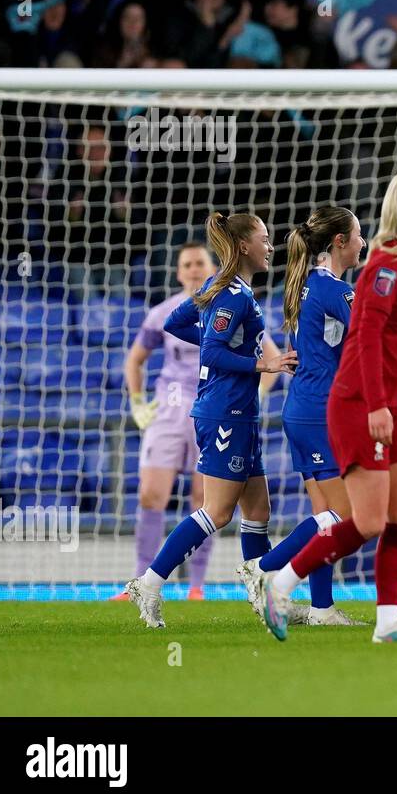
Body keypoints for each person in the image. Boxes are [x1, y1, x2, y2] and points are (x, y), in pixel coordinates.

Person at [257, 171, 397, 644]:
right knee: (366, 522)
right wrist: (377, 405)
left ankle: (387, 624)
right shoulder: (387, 266)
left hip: (394, 402)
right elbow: (362, 340)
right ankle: (279, 584)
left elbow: (396, 343)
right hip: (360, 404)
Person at [125, 212, 298, 628]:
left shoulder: (221, 288)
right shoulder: (233, 294)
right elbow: (213, 353)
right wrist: (264, 364)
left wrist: (217, 339)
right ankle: (148, 582)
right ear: (244, 247)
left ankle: (263, 598)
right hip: (225, 412)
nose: (270, 246)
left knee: (258, 510)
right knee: (217, 512)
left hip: (237, 411)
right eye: (264, 238)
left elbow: (175, 323)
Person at [241, 206, 366, 627]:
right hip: (322, 411)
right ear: (339, 243)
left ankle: (321, 607)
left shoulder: (308, 284)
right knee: (349, 518)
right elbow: (375, 335)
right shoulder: (333, 290)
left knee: (325, 516)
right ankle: (262, 568)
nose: (364, 244)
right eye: (359, 236)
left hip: (304, 407)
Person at [119, 242, 216, 602]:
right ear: (178, 272)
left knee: (203, 500)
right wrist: (138, 403)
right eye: (187, 264)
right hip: (169, 414)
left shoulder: (231, 309)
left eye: (200, 263)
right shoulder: (163, 313)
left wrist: (259, 394)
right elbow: (134, 361)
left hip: (211, 412)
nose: (193, 269)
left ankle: (196, 586)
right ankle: (141, 583)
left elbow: (268, 356)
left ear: (213, 267)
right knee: (151, 495)